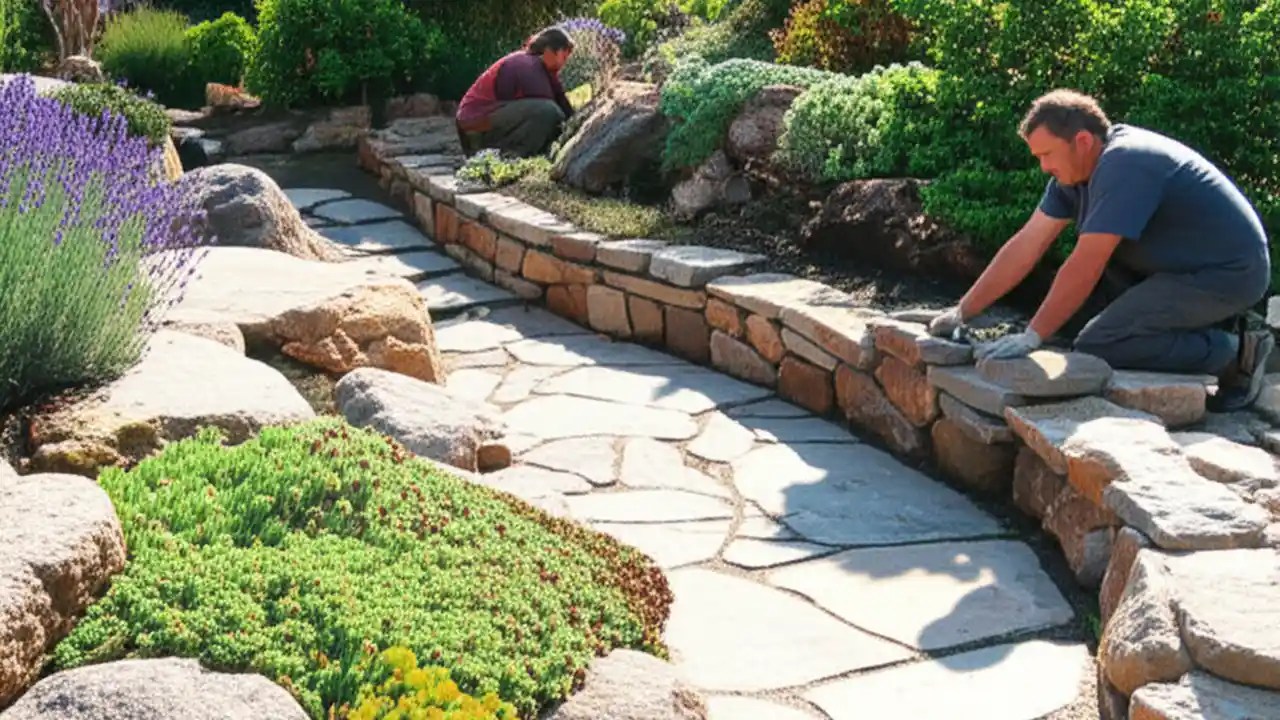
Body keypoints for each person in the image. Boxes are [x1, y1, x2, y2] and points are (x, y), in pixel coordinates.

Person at [928, 89, 1273, 411]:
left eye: (1047, 154)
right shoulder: (1072, 178)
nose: (1043, 166)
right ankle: (1215, 329)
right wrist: (962, 312)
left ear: (1081, 141)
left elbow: (1086, 263)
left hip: (1229, 274)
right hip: (1174, 270)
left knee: (1103, 342)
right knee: (1081, 326)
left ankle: (1238, 352)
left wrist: (1033, 336)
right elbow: (1026, 245)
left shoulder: (1127, 162)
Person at [455, 26, 576, 158]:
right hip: (474, 127)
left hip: (485, 124)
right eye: (564, 57)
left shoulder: (543, 72)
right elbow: (552, 110)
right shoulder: (527, 64)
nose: (564, 63)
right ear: (549, 51)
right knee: (549, 112)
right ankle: (512, 157)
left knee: (552, 113)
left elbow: (563, 105)